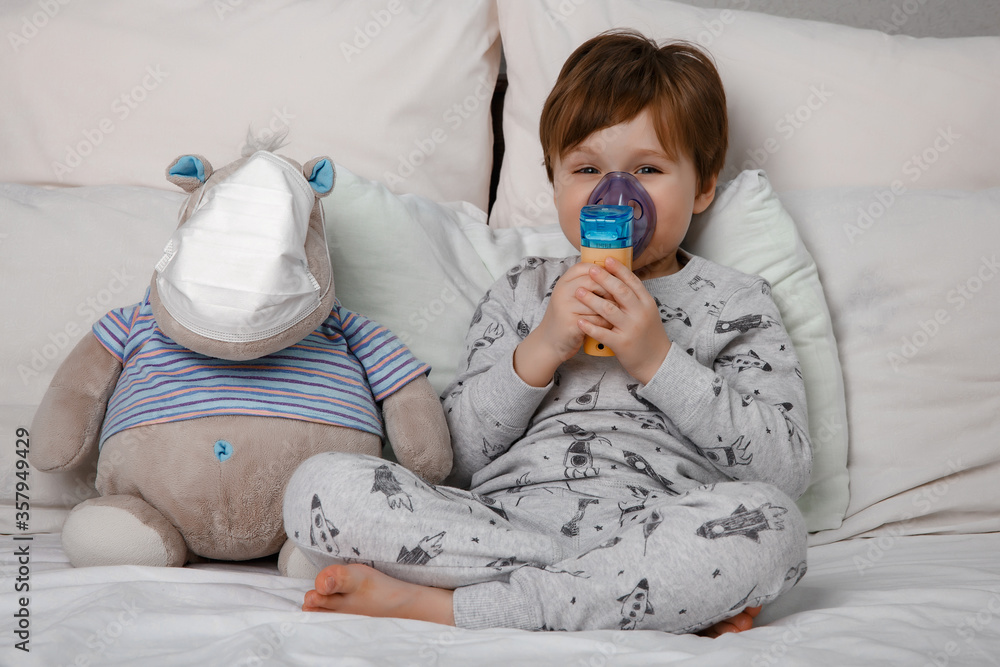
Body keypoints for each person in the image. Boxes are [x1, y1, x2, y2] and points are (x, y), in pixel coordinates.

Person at [282, 29, 811, 636]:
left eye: (648, 168)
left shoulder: (736, 302)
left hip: (656, 529)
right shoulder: (521, 291)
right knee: (319, 483)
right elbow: (451, 460)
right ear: (556, 181)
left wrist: (657, 358)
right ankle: (644, 602)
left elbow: (784, 470)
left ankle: (449, 607)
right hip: (503, 527)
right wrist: (541, 348)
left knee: (772, 525)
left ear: (705, 185)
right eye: (587, 169)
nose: (618, 194)